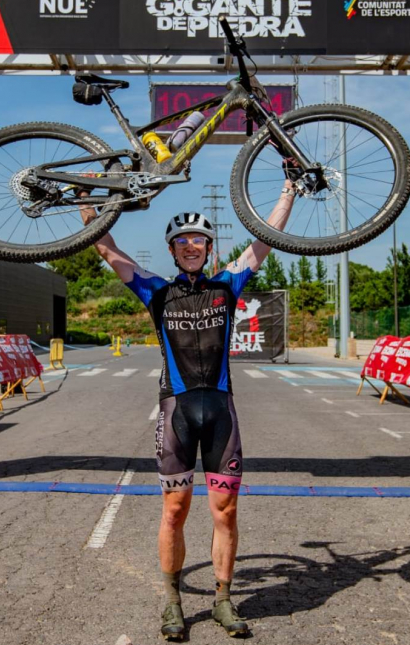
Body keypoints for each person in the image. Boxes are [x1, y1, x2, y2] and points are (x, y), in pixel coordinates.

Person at [79, 170, 297, 641]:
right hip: (176, 412)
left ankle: (222, 599)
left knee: (225, 511)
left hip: (221, 411)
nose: (191, 246)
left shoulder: (226, 286)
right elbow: (106, 249)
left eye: (199, 239)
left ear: (209, 247)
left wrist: (289, 192)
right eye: (183, 241)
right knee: (174, 510)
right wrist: (82, 198)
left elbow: (265, 240)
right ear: (173, 250)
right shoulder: (156, 291)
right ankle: (174, 603)